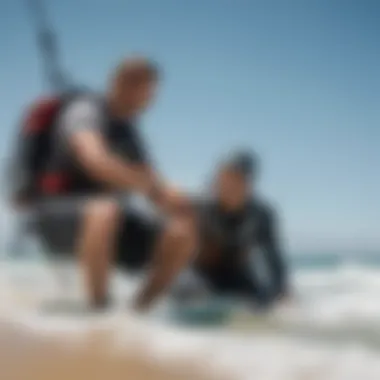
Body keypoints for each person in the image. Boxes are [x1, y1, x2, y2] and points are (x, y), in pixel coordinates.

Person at [30, 57, 196, 311]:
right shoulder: (86, 110)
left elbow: (154, 186)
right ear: (121, 83)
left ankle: (136, 314)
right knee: (104, 209)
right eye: (145, 90)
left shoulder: (131, 135)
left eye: (152, 92)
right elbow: (94, 160)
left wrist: (180, 204)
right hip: (57, 216)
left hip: (109, 225)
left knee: (182, 234)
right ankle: (98, 311)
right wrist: (149, 185)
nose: (150, 99)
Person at [192, 150, 289, 309]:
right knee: (190, 297)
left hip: (237, 273)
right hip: (200, 273)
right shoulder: (201, 208)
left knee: (266, 302)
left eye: (237, 179)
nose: (227, 185)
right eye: (224, 178)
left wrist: (281, 289)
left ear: (248, 184)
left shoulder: (261, 214)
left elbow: (273, 257)